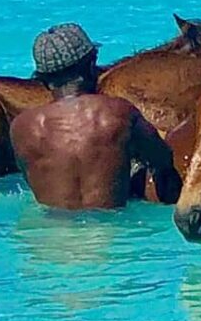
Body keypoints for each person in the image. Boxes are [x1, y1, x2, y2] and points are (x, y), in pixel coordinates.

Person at [10, 24, 181, 210]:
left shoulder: (21, 128)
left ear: (43, 80)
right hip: (112, 232)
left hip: (50, 234)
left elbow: (33, 180)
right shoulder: (119, 112)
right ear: (91, 65)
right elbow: (162, 159)